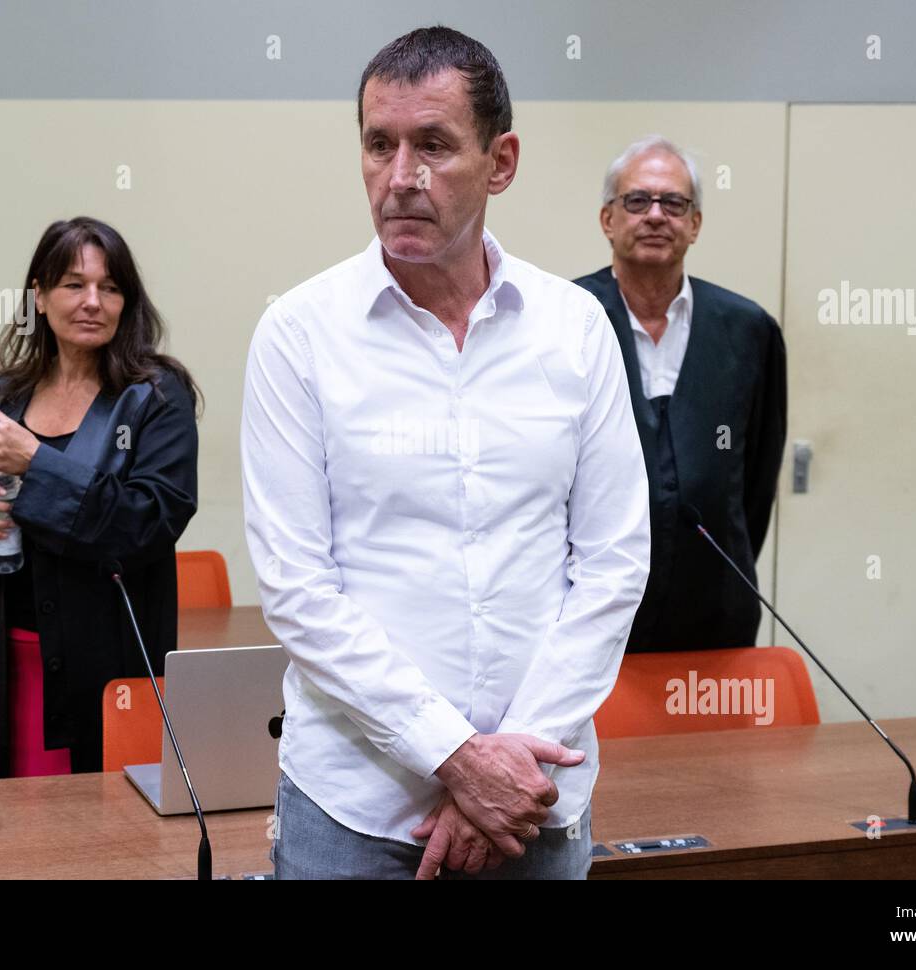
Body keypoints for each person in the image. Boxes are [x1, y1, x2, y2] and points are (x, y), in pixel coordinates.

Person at [241, 27, 649, 879]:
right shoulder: (300, 334)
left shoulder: (574, 330)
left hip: (536, 805)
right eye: (378, 145)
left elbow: (613, 565)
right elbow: (296, 585)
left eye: (432, 145)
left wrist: (509, 771)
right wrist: (458, 758)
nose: (399, 179)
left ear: (500, 162)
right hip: (353, 810)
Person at [0, 216, 201, 779]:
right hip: (4, 661)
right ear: (39, 296)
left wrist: (37, 464)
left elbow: (150, 521)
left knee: (104, 849)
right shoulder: (2, 395)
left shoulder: (155, 395)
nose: (92, 302)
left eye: (109, 287)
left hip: (108, 670)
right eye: (73, 285)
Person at [575, 136, 786, 652]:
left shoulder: (747, 328)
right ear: (608, 219)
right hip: (590, 610)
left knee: (715, 736)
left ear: (694, 224)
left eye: (673, 203)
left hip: (715, 609)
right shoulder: (565, 318)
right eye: (637, 200)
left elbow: (756, 479)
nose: (655, 215)